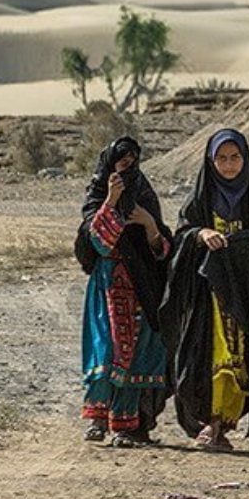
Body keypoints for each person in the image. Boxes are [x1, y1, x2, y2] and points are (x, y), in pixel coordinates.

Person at [160, 128, 249, 452]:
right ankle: (209, 423)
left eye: (234, 158)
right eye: (222, 158)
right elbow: (182, 236)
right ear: (210, 160)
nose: (229, 165)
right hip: (208, 296)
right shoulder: (200, 199)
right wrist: (201, 234)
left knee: (241, 357)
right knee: (207, 354)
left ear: (245, 158)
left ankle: (223, 423)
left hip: (245, 297)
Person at [77, 136, 172, 448]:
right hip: (106, 287)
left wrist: (148, 224)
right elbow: (97, 245)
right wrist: (111, 202)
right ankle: (96, 419)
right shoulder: (97, 196)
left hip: (139, 286)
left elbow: (162, 249)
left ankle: (124, 425)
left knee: (134, 355)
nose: (127, 167)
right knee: (106, 349)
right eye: (121, 161)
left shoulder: (144, 194)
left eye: (132, 161)